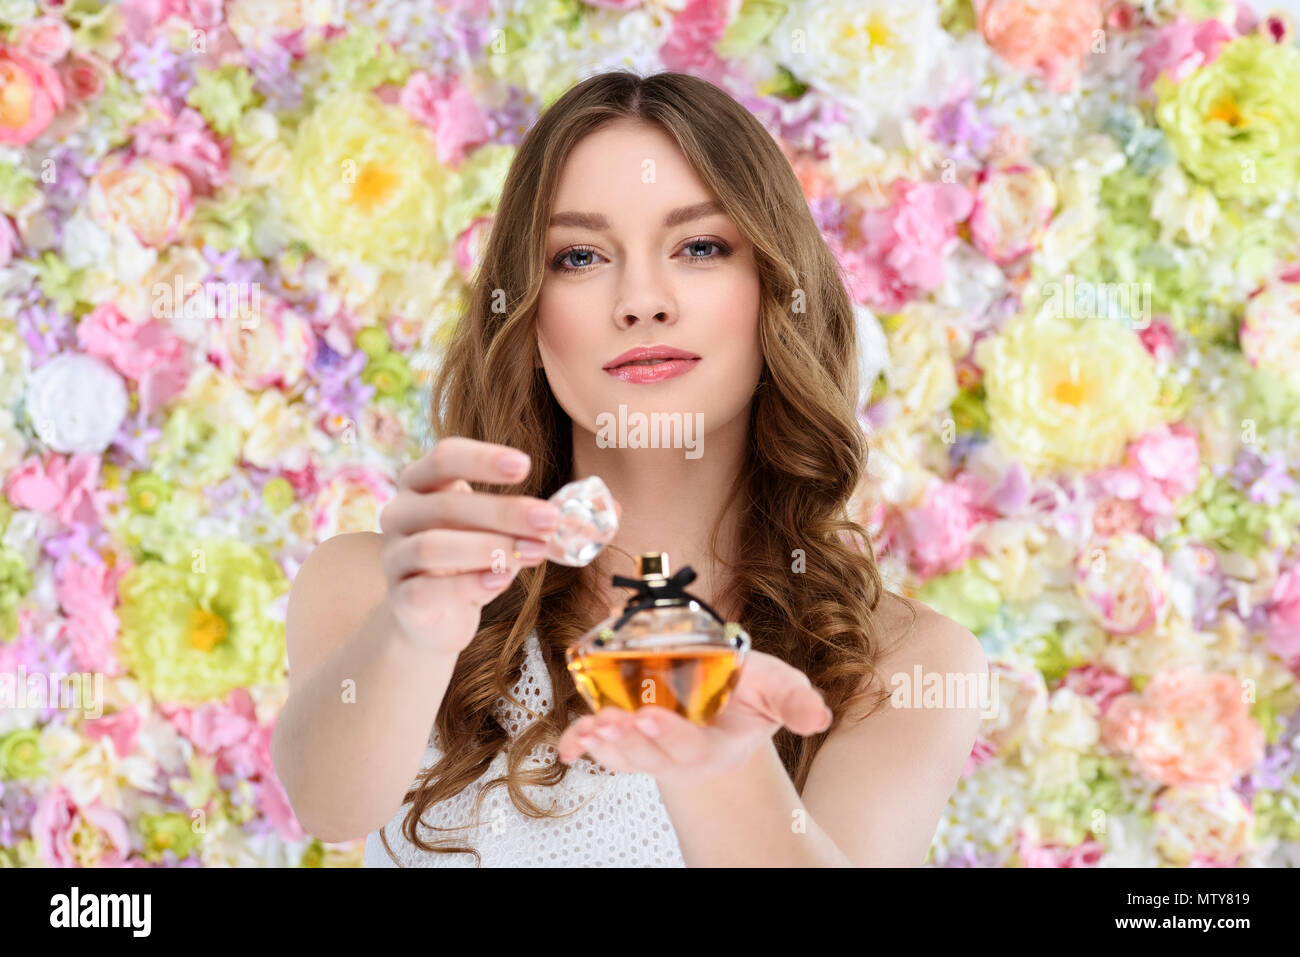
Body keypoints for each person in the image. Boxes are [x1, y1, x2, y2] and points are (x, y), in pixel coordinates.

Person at [271, 70, 987, 868]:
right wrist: (411, 636)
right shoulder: (373, 584)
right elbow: (328, 805)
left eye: (701, 246)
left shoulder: (905, 660)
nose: (642, 299)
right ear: (529, 313)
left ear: (776, 291)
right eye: (580, 256)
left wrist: (720, 759)